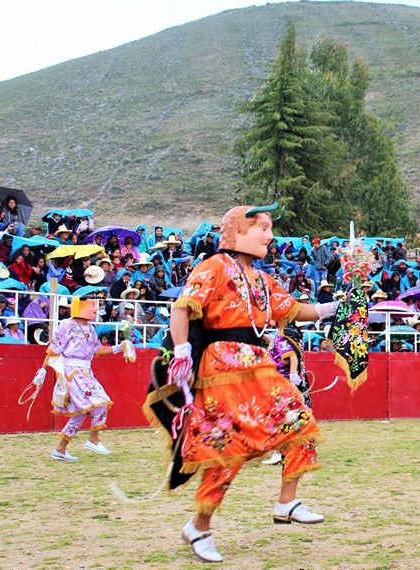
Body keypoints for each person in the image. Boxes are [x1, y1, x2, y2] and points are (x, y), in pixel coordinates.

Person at [147, 203, 340, 563]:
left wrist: (335, 307)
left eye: (269, 229)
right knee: (228, 447)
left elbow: (295, 310)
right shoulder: (213, 267)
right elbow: (182, 308)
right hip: (222, 365)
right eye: (262, 228)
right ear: (238, 232)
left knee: (300, 421)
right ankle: (200, 527)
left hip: (259, 365)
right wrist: (182, 349)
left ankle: (287, 502)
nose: (269, 235)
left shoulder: (263, 279)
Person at [37, 297, 134, 461]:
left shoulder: (90, 328)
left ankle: (60, 449)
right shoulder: (67, 325)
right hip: (73, 372)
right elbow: (54, 348)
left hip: (86, 371)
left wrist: (120, 347)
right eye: (92, 307)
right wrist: (43, 370)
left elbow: (98, 350)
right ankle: (93, 440)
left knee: (83, 411)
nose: (95, 310)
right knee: (102, 401)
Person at [262, 325, 312, 466]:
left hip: (282, 382)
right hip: (286, 381)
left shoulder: (285, 334)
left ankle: (280, 452)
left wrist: (292, 374)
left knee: (279, 418)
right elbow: (277, 344)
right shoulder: (291, 334)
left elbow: (290, 354)